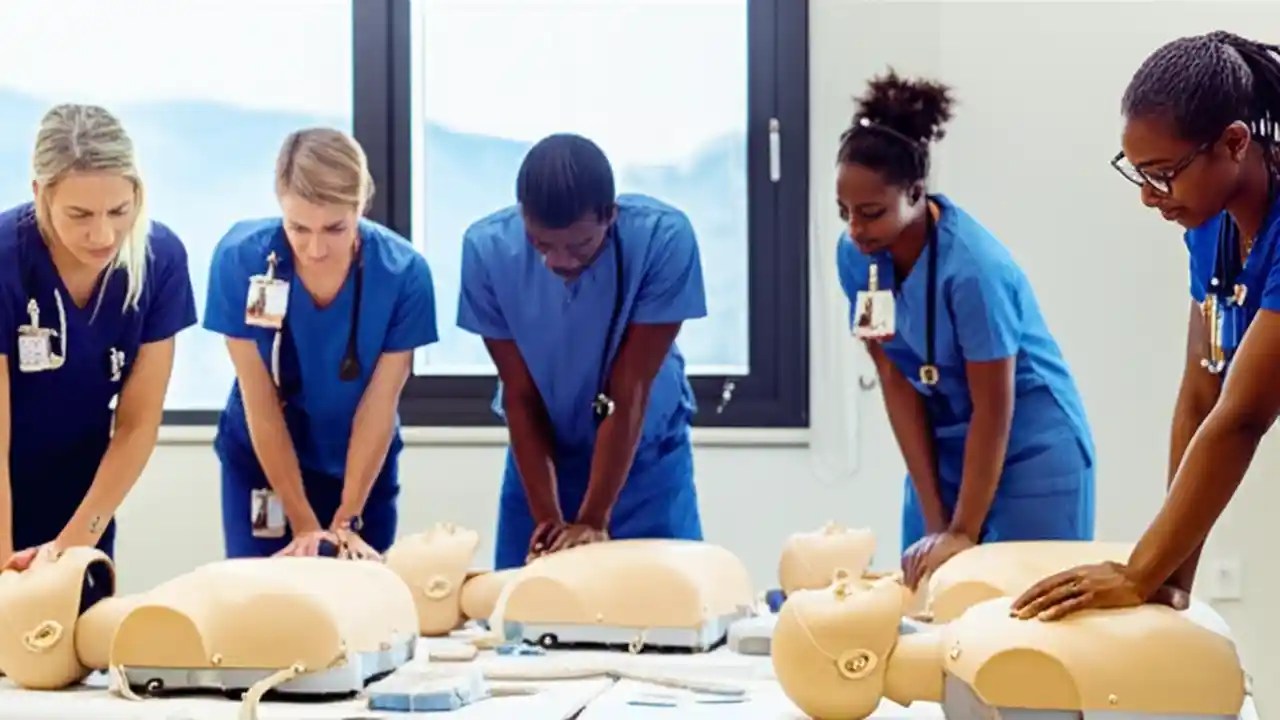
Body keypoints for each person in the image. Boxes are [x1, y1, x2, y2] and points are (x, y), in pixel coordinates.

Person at [1013, 32, 1280, 621]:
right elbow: (1202, 393)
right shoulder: (1211, 229)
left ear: (1234, 143)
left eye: (1163, 174)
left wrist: (1140, 572)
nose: (1149, 197)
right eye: (1138, 174)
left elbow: (1243, 417)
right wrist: (1170, 582)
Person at [834, 71, 1097, 590]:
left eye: (870, 213)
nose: (855, 230)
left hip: (1028, 448)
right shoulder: (858, 259)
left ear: (915, 191)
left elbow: (994, 407)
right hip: (944, 445)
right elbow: (894, 379)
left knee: (1020, 614)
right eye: (844, 213)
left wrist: (963, 530)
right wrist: (938, 522)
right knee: (930, 598)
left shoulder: (975, 270)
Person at [457, 133, 708, 570]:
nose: (560, 261)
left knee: (663, 616)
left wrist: (593, 519)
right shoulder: (487, 251)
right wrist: (548, 519)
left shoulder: (663, 240)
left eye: (579, 246)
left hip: (642, 463)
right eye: (541, 245)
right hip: (540, 458)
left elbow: (629, 387)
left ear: (609, 216)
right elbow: (520, 394)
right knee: (527, 613)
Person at [203, 128, 438, 560]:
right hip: (264, 458)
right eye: (298, 227)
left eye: (335, 228)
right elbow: (260, 401)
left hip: (360, 463)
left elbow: (379, 405)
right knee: (264, 603)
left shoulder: (404, 275)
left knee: (360, 600)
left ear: (360, 205)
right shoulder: (240, 261)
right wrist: (305, 524)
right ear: (279, 205)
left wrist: (344, 522)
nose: (314, 248)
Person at [0, 104, 197, 570]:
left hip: (84, 490)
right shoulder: (6, 259)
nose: (102, 234)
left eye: (119, 210)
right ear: (39, 194)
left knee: (76, 624)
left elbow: (136, 425)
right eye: (80, 214)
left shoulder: (159, 260)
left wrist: (70, 547)